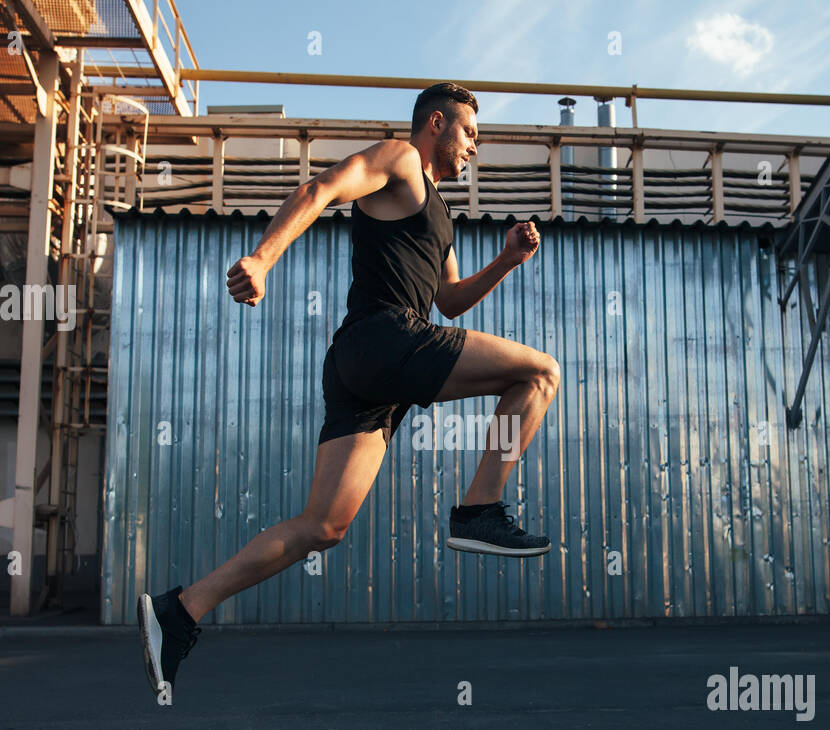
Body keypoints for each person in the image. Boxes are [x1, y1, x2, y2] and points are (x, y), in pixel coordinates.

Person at [138, 82, 561, 697]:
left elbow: (447, 301)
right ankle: (479, 508)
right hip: (385, 338)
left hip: (367, 362)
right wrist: (262, 258)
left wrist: (504, 263)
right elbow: (322, 189)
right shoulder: (400, 157)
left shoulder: (437, 210)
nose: (476, 145)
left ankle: (179, 612)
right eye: (470, 132)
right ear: (437, 124)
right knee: (540, 372)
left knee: (323, 526)